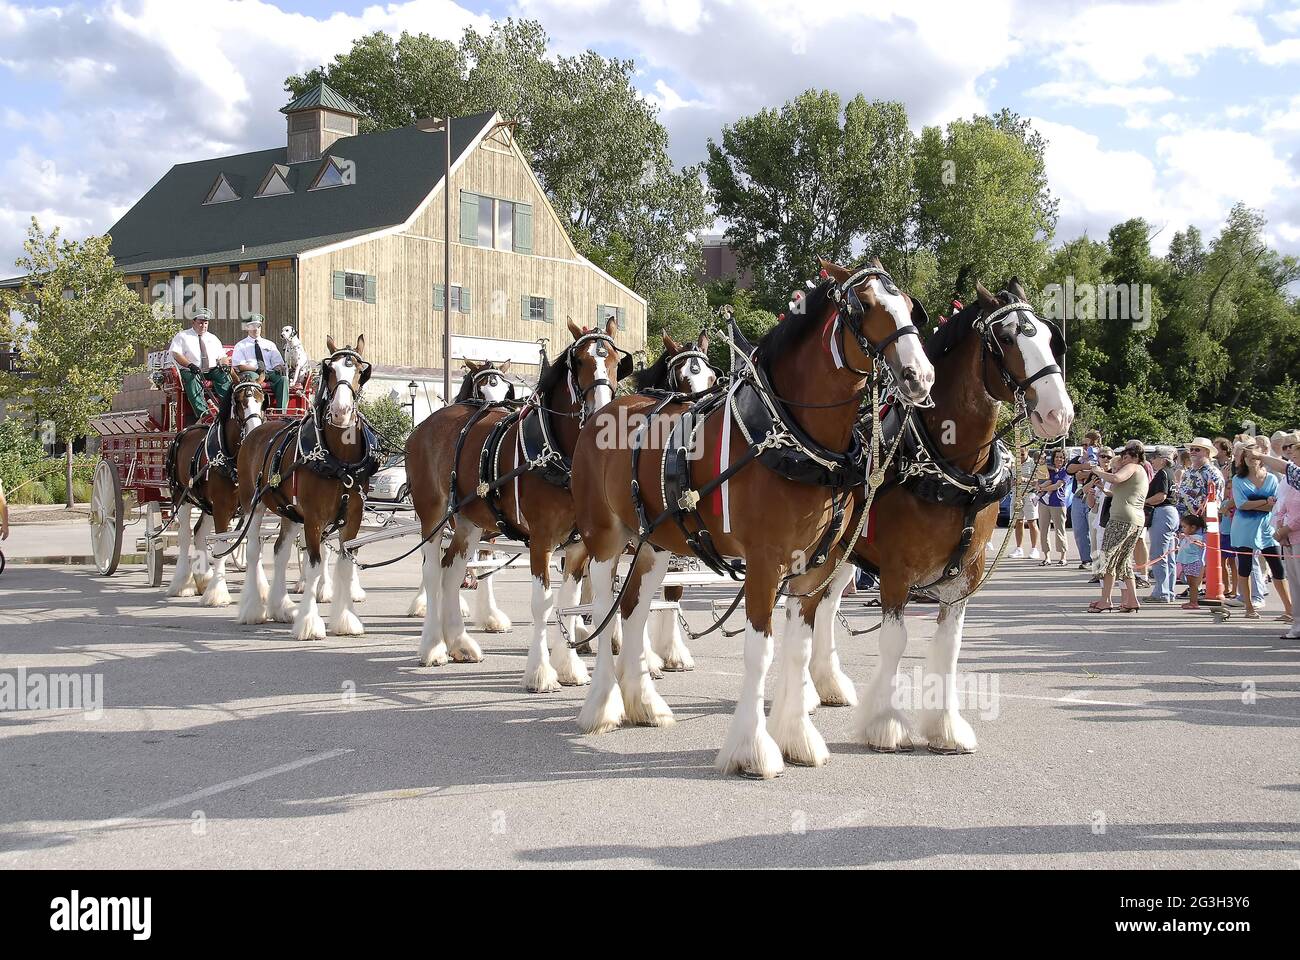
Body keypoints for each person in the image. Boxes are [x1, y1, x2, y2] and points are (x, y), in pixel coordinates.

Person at [1081, 441, 1149, 612]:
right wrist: (1103, 488)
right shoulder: (1140, 472)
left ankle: (1106, 600)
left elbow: (1117, 478)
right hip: (1134, 520)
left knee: (1107, 558)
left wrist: (1098, 471)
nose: (1122, 461)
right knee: (1123, 562)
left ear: (1134, 457)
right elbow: (1119, 492)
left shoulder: (1133, 467)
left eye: (1125, 457)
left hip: (1121, 520)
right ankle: (1132, 600)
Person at [1231, 441, 1291, 621]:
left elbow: (1276, 506)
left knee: (1277, 568)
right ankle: (1248, 606)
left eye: (1254, 457)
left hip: (1266, 528)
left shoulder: (1272, 478)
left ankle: (1289, 609)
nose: (1251, 460)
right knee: (1245, 566)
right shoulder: (1237, 479)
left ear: (1261, 459)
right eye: (1247, 457)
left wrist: (1262, 505)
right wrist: (1266, 502)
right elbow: (1242, 504)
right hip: (1244, 528)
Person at [169, 309, 231, 419]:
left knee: (224, 377)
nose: (203, 326)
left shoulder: (213, 338)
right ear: (193, 322)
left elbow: (222, 356)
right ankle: (204, 414)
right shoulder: (182, 336)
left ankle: (230, 408)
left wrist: (224, 365)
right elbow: (176, 354)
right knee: (191, 379)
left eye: (206, 323)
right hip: (191, 370)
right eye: (200, 323)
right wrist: (189, 365)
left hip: (211, 370)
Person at [231, 314, 289, 410]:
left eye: (258, 326)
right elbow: (240, 366)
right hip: (253, 372)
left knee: (283, 379)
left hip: (269, 371)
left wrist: (279, 367)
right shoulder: (240, 345)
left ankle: (281, 411)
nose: (256, 329)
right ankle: (255, 411)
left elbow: (277, 362)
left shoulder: (269, 344)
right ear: (247, 328)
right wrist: (257, 369)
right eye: (252, 326)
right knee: (251, 379)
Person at [1145, 446, 1180, 603]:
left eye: (1155, 457)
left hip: (1162, 511)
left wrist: (1142, 502)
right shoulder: (1171, 473)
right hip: (1171, 512)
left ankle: (1162, 592)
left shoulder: (1162, 473)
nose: (1152, 460)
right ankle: (1168, 590)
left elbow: (1160, 496)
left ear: (1164, 459)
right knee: (1169, 555)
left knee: (1158, 554)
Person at [1066, 431, 1101, 568]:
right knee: (1080, 531)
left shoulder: (1101, 456)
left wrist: (1084, 472)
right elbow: (1070, 469)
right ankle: (1086, 560)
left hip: (1094, 496)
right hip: (1078, 497)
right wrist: (1085, 467)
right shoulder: (1080, 458)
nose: (1085, 447)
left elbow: (1100, 470)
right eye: (1083, 445)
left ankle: (1097, 561)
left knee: (1095, 532)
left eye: (1087, 444)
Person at [1036, 448, 1070, 565]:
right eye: (1057, 457)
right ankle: (1046, 557)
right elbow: (1039, 476)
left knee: (1059, 530)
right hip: (1044, 503)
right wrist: (1039, 486)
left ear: (1065, 459)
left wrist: (1043, 489)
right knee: (1043, 530)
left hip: (1058, 503)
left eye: (1061, 457)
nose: (1059, 459)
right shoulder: (1049, 470)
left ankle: (1063, 556)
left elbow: (1057, 485)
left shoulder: (1065, 472)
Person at [1011, 447, 1042, 560]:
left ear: (1027, 452)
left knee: (1032, 522)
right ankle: (1019, 548)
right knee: (1018, 522)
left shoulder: (1033, 464)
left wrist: (1024, 480)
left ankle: (1034, 549)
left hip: (1029, 495)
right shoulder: (1014, 464)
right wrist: (1012, 482)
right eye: (1018, 454)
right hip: (1016, 495)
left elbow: (1038, 481)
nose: (1020, 456)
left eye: (1022, 454)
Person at [1176, 514, 1207, 611]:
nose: (1183, 529)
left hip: (1193, 563)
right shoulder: (1188, 537)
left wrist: (1187, 539)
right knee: (1191, 584)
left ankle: (1194, 602)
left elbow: (1201, 545)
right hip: (1187, 562)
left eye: (1184, 527)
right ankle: (1192, 601)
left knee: (1193, 584)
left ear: (1193, 527)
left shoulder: (1196, 538)